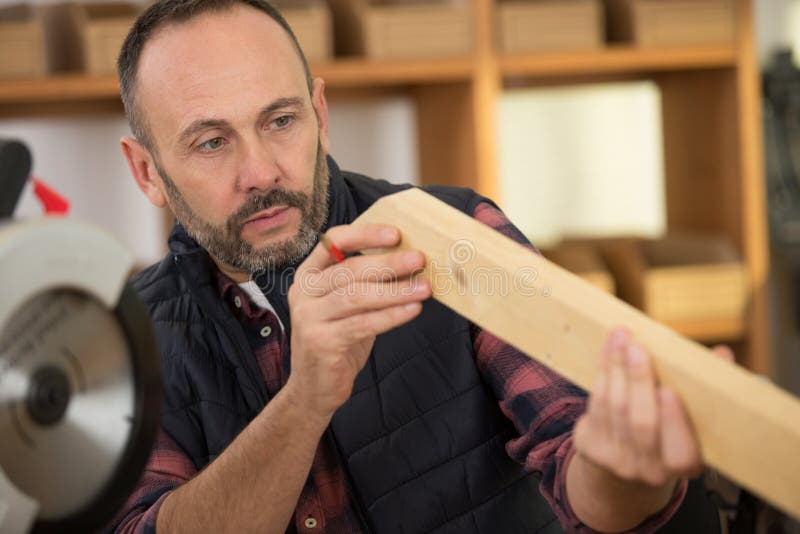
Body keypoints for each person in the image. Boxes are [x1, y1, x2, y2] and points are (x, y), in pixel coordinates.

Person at [108, 1, 730, 532]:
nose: (262, 172)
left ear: (320, 115)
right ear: (146, 172)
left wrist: (621, 468)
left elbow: (579, 461)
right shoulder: (124, 339)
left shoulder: (456, 235)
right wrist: (305, 402)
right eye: (212, 142)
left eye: (280, 120)